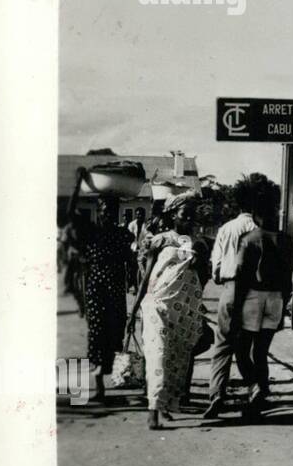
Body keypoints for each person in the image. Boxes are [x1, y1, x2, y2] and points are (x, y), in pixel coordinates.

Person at [127, 192, 203, 429]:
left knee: (178, 359)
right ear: (173, 214)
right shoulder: (159, 241)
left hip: (184, 312)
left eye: (192, 213)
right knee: (158, 356)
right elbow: (146, 276)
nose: (189, 217)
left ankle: (165, 404)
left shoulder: (197, 243)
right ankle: (153, 409)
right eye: (184, 213)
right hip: (157, 306)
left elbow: (200, 278)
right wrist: (134, 310)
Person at [64, 169, 132, 402]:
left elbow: (131, 264)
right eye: (104, 209)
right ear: (99, 212)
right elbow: (70, 213)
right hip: (96, 292)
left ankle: (107, 380)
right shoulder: (91, 233)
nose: (108, 213)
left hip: (115, 293)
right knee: (97, 337)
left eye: (112, 210)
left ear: (117, 212)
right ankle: (99, 387)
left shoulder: (124, 236)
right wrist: (77, 185)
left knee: (114, 337)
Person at [229, 206, 292, 417]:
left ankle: (254, 385)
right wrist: (284, 307)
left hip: (254, 296)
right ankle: (261, 392)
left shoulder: (248, 238)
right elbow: (288, 277)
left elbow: (240, 275)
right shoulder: (285, 240)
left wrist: (236, 310)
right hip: (276, 297)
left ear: (255, 217)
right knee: (261, 351)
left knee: (242, 347)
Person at [205, 195, 258, 418]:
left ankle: (217, 392)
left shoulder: (226, 229)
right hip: (254, 290)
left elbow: (215, 265)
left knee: (223, 343)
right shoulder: (257, 230)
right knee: (246, 345)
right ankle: (254, 388)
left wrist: (220, 277)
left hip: (230, 287)